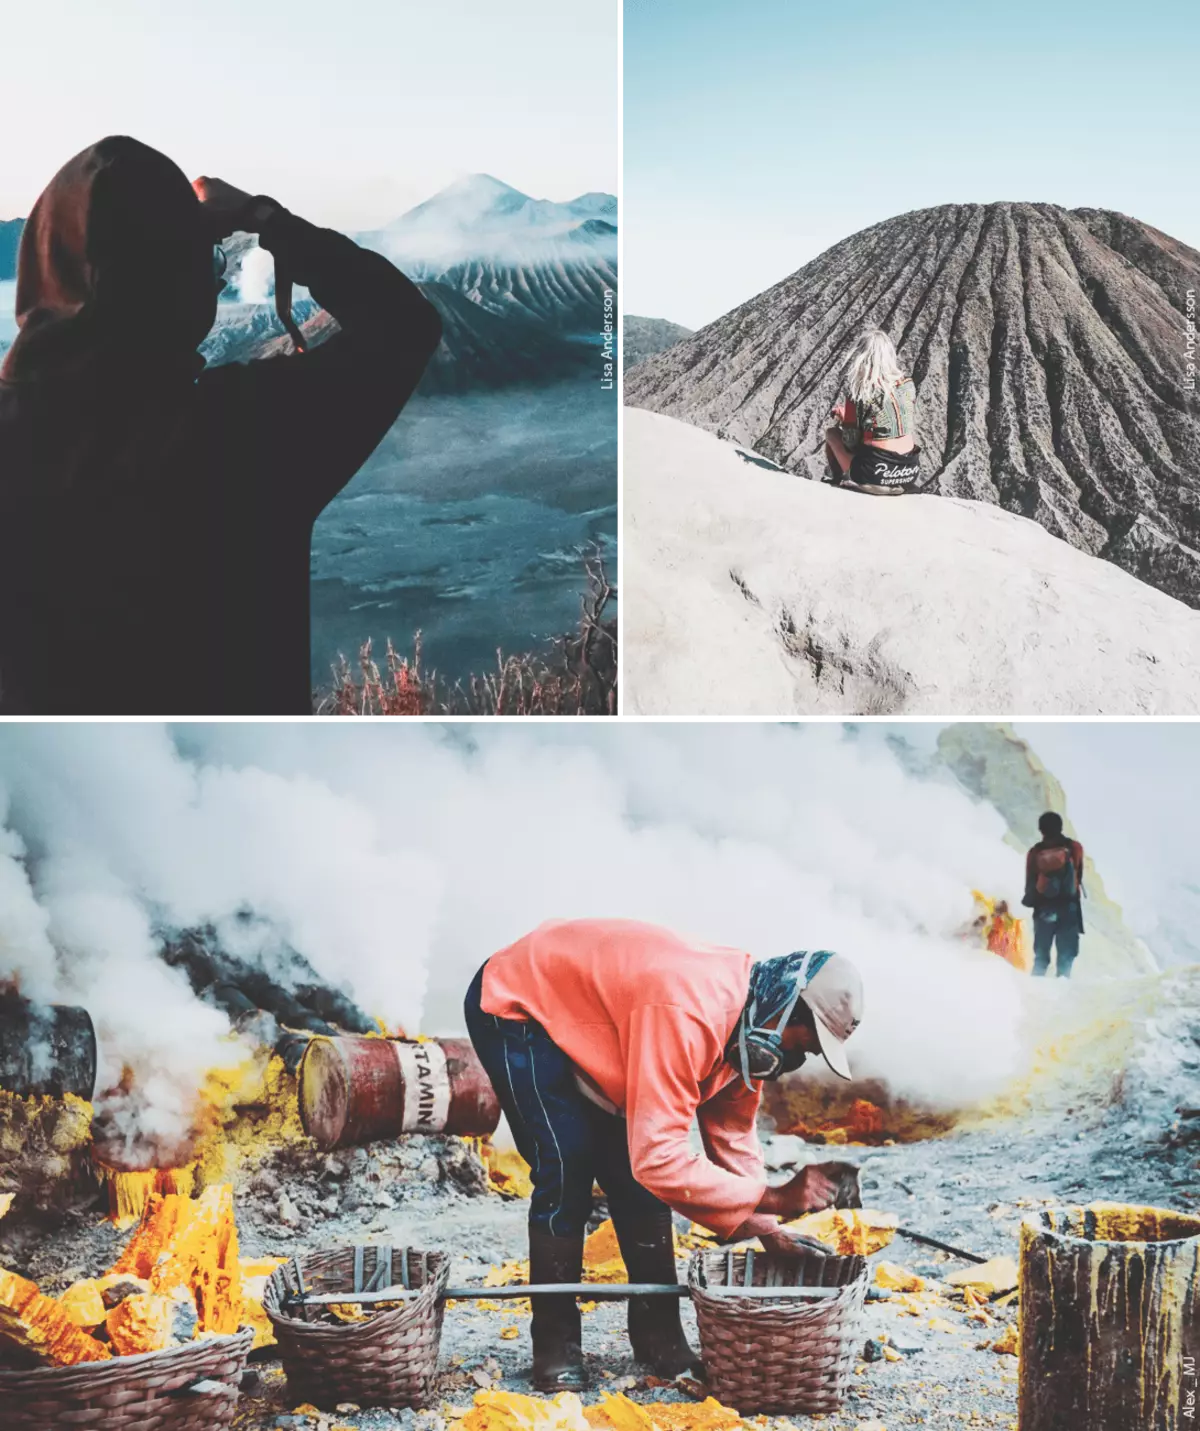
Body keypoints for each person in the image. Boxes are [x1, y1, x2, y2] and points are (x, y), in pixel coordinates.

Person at [0, 136, 442, 717]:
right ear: (177, 288)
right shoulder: (240, 434)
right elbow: (404, 324)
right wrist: (264, 219)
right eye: (208, 265)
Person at [463, 918, 865, 1391]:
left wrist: (769, 1234)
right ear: (786, 1007)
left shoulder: (751, 1032)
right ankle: (554, 1344)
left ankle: (659, 1340)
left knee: (637, 1185)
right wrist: (778, 1197)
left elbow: (732, 1140)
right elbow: (660, 1158)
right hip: (519, 1003)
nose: (798, 1061)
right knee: (567, 1164)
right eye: (807, 1044)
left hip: (603, 1016)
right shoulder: (688, 1010)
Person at [824, 327, 922, 495]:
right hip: (909, 470)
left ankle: (841, 479)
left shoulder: (861, 392)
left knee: (832, 434)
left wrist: (846, 417)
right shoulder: (908, 385)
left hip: (875, 473)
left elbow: (850, 442)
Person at [1022, 812, 1085, 978]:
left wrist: (1033, 900)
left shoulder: (1035, 852)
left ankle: (1035, 993)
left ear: (1041, 830)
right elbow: (1078, 875)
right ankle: (1062, 995)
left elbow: (1030, 883)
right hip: (1069, 908)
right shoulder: (1074, 848)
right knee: (1066, 958)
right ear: (1061, 827)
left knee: (1041, 958)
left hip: (1044, 909)